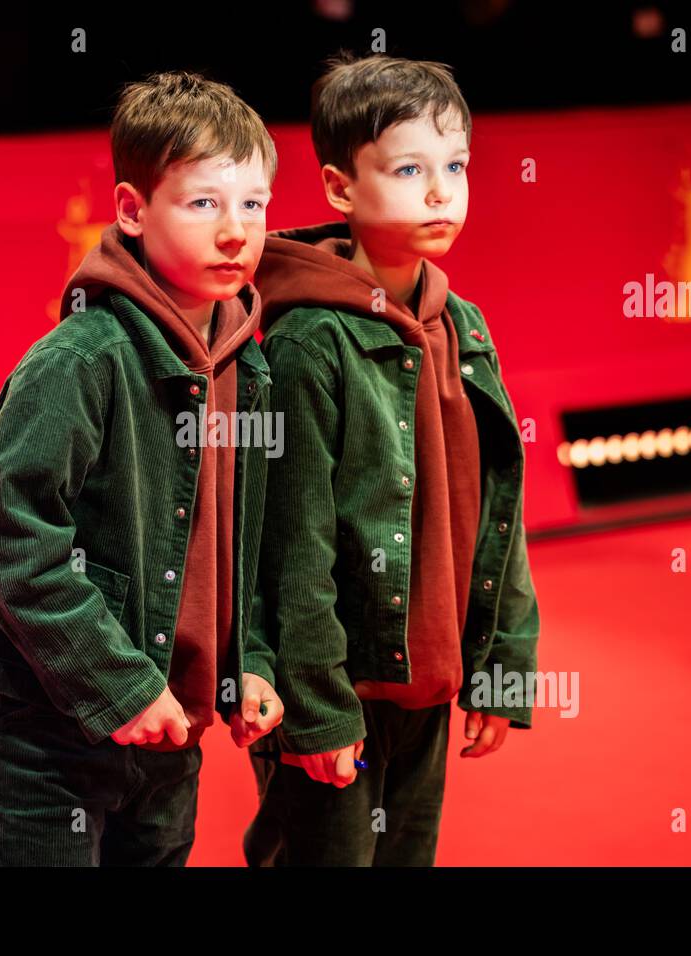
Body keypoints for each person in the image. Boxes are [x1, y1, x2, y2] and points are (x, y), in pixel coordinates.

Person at [0, 71, 283, 866]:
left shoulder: (251, 367)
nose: (237, 231)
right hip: (55, 737)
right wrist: (117, 683)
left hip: (176, 733)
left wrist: (253, 668)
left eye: (254, 204)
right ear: (133, 211)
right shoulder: (80, 359)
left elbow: (240, 551)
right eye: (204, 203)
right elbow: (9, 535)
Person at [244, 52, 541, 866]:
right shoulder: (311, 340)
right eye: (410, 169)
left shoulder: (463, 325)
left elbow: (500, 511)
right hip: (340, 690)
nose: (441, 191)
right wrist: (315, 712)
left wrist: (502, 673)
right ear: (341, 189)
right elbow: (292, 547)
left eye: (456, 166)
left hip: (429, 687)